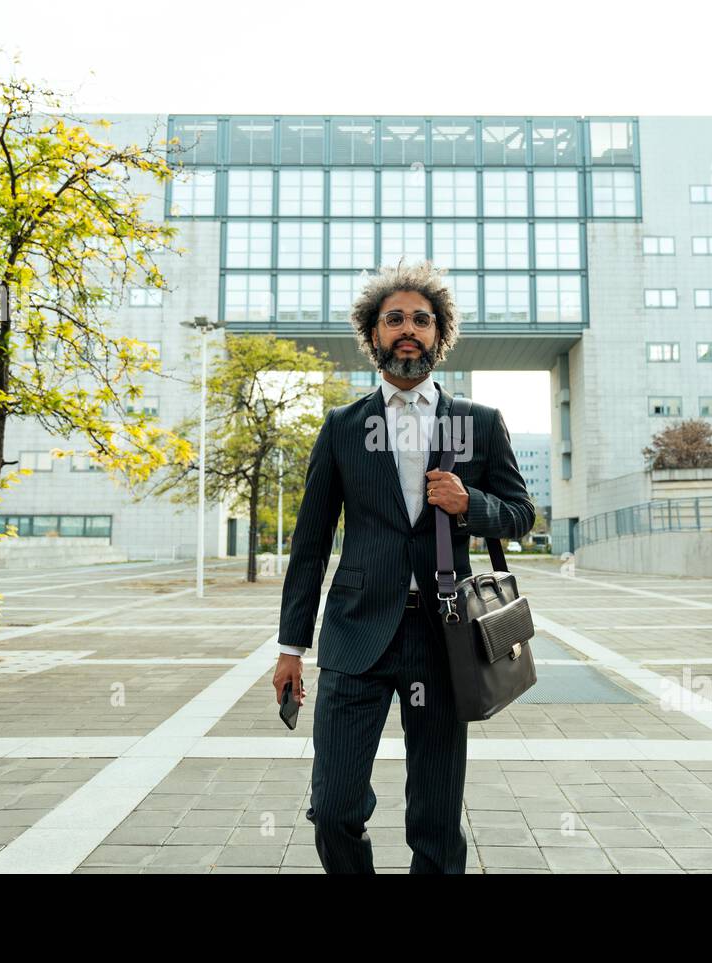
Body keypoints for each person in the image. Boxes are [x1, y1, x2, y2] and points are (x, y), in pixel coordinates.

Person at [273, 260, 536, 874]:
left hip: (445, 639)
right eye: (395, 319)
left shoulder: (480, 422)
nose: (408, 329)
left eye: (422, 319)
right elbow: (309, 547)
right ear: (373, 335)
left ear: (441, 336)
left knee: (437, 820)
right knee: (334, 806)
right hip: (355, 634)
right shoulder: (342, 427)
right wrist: (290, 647)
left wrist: (472, 505)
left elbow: (522, 514)